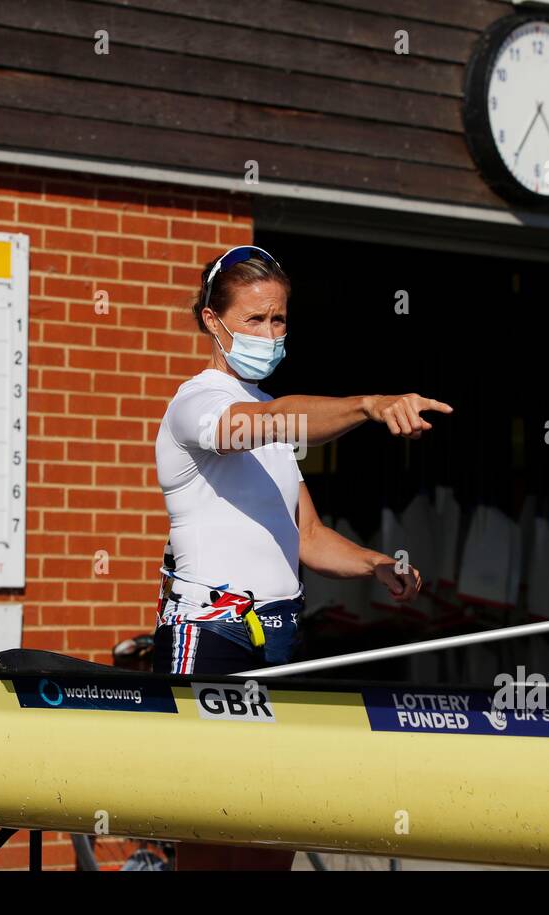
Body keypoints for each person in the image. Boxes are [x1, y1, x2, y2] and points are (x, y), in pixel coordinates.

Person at [151, 244, 452, 870]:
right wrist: (368, 405)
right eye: (254, 319)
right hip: (211, 635)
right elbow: (276, 420)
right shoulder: (200, 404)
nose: (269, 332)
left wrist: (373, 562)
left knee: (272, 821)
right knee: (215, 825)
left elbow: (308, 537)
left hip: (282, 635)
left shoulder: (273, 419)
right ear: (213, 321)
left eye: (279, 319)